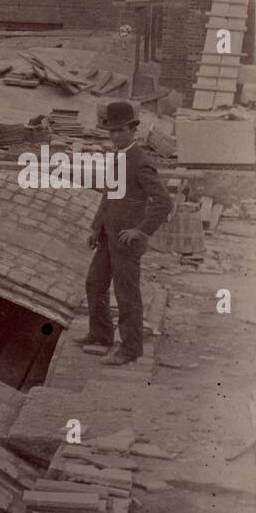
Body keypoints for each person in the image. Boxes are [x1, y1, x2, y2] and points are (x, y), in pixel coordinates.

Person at [79, 101, 172, 366]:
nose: (115, 136)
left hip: (127, 240)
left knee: (126, 294)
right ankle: (100, 336)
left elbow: (164, 202)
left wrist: (141, 231)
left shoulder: (141, 161)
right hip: (108, 236)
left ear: (133, 130)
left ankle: (130, 348)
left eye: (121, 130)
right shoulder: (117, 157)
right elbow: (108, 195)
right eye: (111, 131)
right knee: (94, 284)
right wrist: (95, 228)